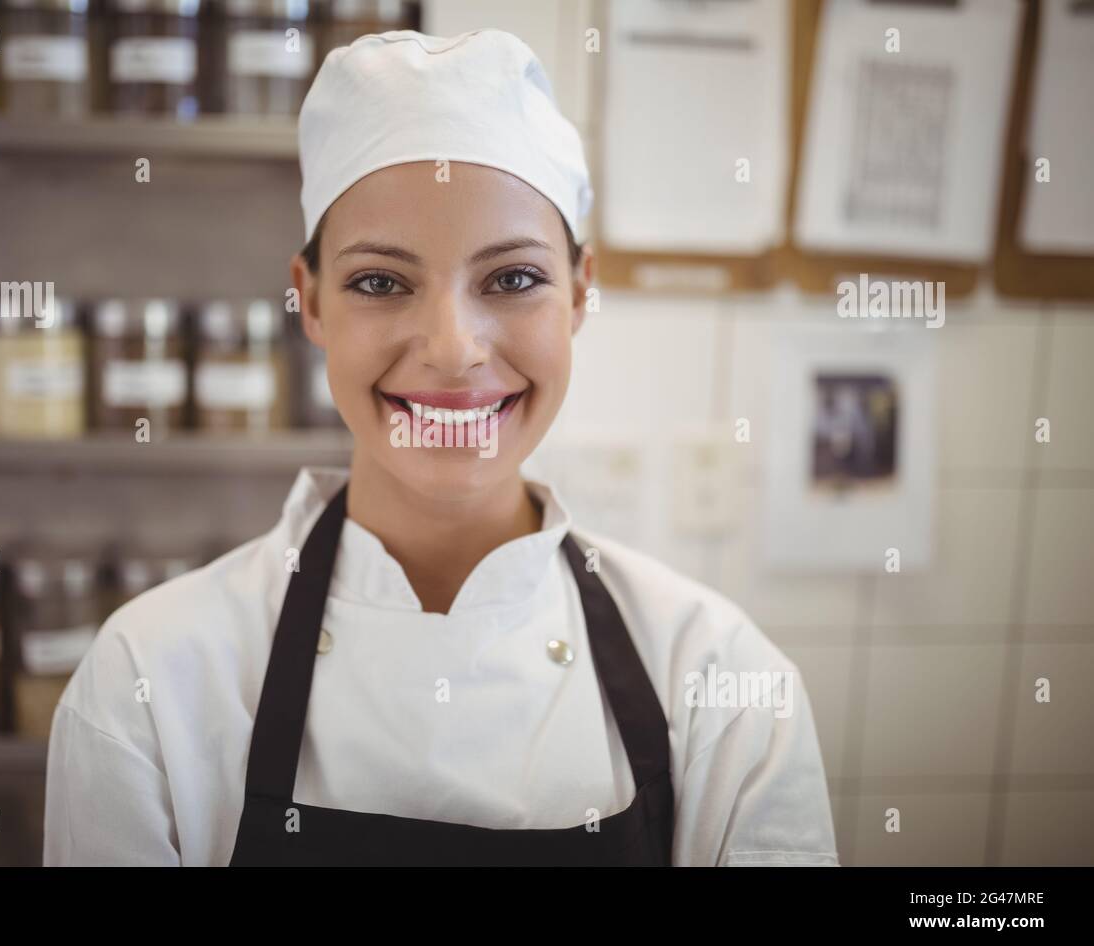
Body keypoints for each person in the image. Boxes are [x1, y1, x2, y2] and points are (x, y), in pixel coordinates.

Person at [44, 28, 837, 866]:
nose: (453, 348)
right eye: (381, 282)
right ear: (310, 303)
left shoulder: (725, 685)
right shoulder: (148, 684)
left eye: (513, 278)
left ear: (579, 294)